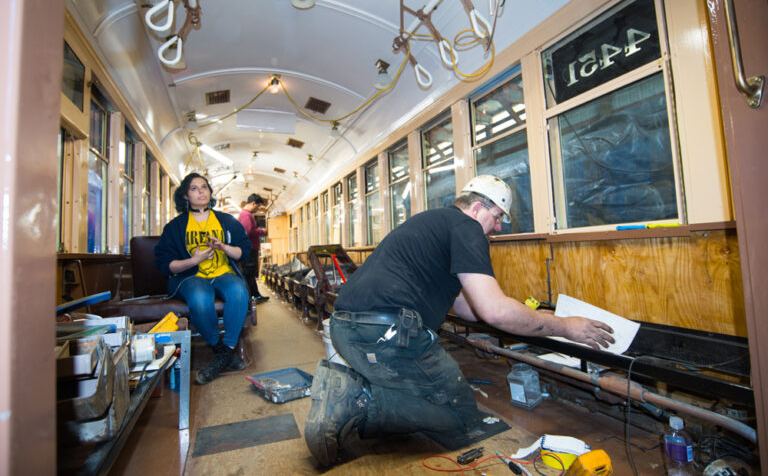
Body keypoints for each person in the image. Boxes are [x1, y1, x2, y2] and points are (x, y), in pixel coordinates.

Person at [304, 175, 615, 466]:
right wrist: (564, 326)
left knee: (421, 395)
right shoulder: (467, 228)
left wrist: (533, 316)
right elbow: (494, 310)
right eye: (497, 217)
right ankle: (360, 401)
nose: (498, 228)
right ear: (477, 208)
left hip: (348, 327)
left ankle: (354, 395)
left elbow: (469, 307)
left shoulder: (433, 222)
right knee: (461, 418)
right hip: (388, 333)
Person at [155, 173, 252, 385]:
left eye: (204, 187)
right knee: (200, 296)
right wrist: (194, 260)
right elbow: (165, 264)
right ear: (185, 196)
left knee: (238, 291)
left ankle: (224, 352)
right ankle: (222, 351)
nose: (201, 191)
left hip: (223, 274)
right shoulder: (175, 227)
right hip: (191, 276)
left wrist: (223, 247)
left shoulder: (227, 221)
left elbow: (244, 252)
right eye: (194, 188)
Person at [238, 193, 268, 303]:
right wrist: (261, 231)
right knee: (248, 273)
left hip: (250, 248)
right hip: (250, 249)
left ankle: (255, 295)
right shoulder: (246, 215)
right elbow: (248, 231)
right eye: (258, 206)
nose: (258, 208)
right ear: (253, 203)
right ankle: (248, 298)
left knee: (250, 273)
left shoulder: (245, 214)